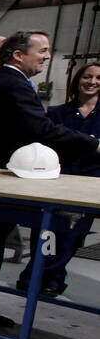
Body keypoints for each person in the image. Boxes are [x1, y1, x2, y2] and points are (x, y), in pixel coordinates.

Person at [0, 32, 100, 321]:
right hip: (1, 177)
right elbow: (40, 128)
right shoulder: (13, 84)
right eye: (43, 50)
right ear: (19, 55)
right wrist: (93, 144)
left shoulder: (3, 82)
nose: (47, 56)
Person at [15, 60, 100, 296]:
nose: (91, 82)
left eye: (97, 78)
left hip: (89, 186)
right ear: (77, 81)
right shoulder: (57, 113)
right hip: (57, 182)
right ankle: (43, 278)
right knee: (46, 233)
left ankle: (41, 277)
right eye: (87, 77)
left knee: (72, 237)